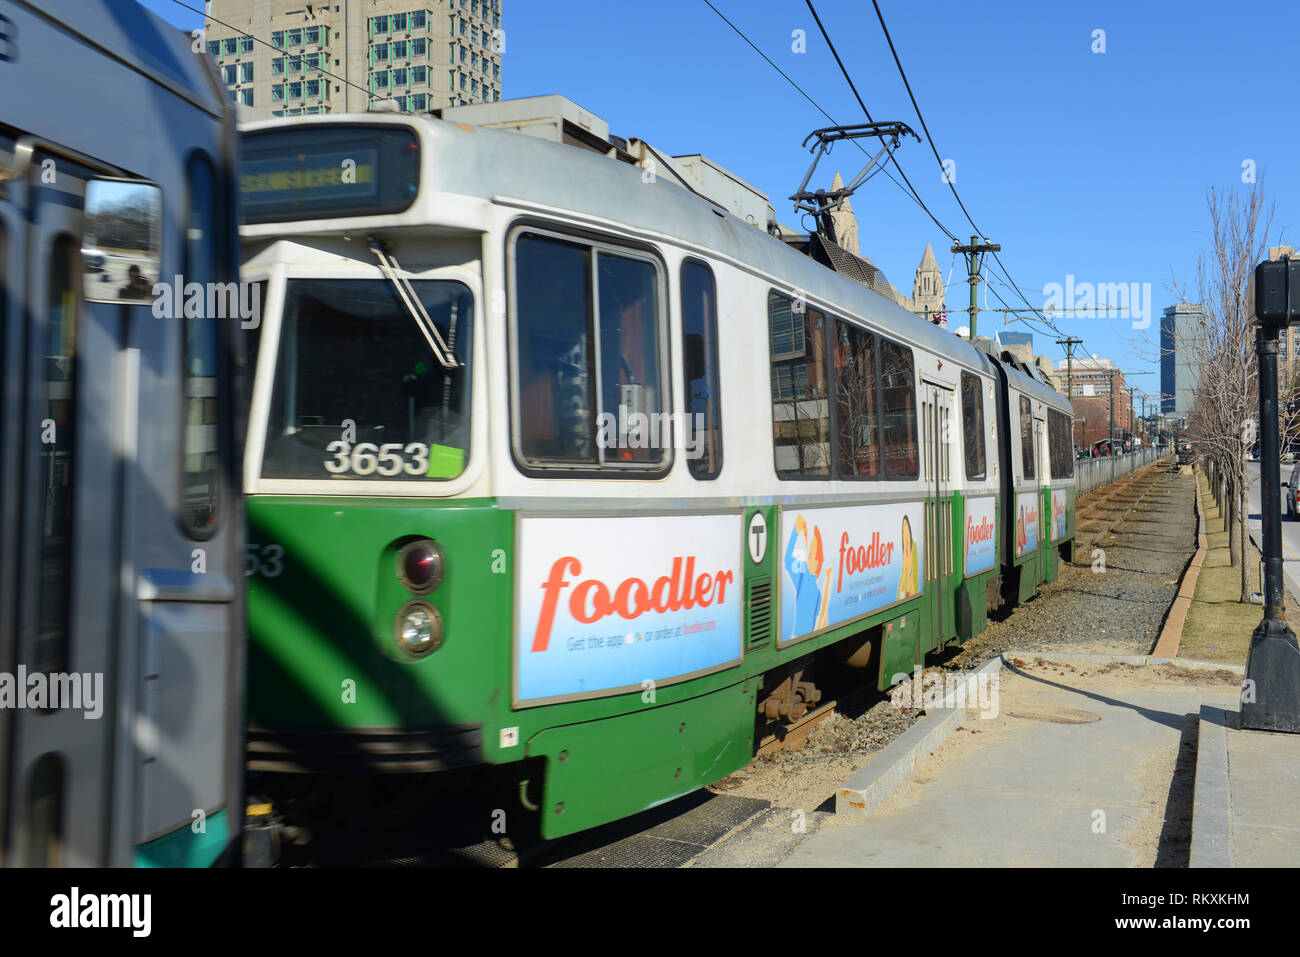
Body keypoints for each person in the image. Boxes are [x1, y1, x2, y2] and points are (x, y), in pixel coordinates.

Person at [897, 515, 920, 600]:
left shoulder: (914, 549)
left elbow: (914, 571)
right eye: (903, 532)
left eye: (906, 531)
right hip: (904, 589)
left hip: (911, 588)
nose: (905, 534)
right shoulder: (904, 555)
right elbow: (904, 573)